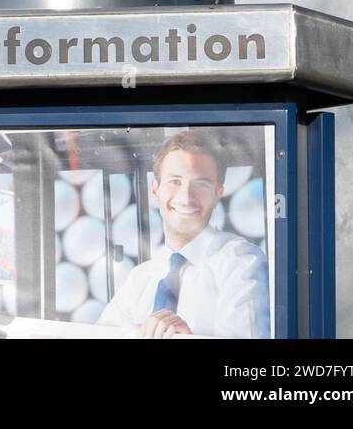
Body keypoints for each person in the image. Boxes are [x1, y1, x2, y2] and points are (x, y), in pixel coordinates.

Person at [97, 132, 270, 339]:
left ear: (218, 194)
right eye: (175, 181)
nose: (186, 197)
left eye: (201, 184)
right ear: (155, 190)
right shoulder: (141, 277)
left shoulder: (241, 262)